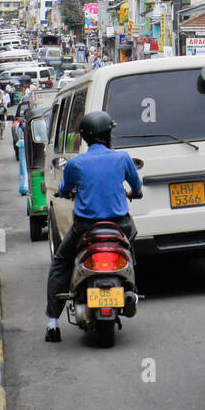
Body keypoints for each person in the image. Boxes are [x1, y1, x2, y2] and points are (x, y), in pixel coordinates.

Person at [45, 111, 142, 342]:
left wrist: (66, 193)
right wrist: (133, 193)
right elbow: (137, 187)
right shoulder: (122, 158)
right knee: (131, 240)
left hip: (86, 227)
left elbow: (66, 189)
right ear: (109, 134)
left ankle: (52, 323)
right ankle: (131, 285)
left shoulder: (76, 163)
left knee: (60, 262)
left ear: (85, 137)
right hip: (119, 225)